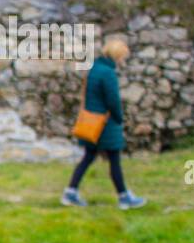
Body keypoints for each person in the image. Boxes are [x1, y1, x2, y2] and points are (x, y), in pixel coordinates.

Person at [62, 38, 147, 209]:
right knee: (114, 160)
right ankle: (124, 197)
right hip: (105, 124)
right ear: (117, 56)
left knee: (88, 157)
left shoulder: (94, 68)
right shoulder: (108, 73)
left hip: (91, 122)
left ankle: (70, 192)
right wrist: (119, 118)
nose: (123, 61)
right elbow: (113, 100)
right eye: (123, 57)